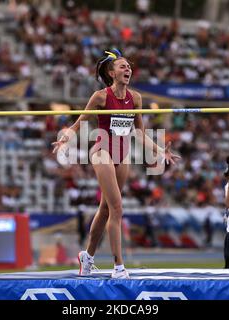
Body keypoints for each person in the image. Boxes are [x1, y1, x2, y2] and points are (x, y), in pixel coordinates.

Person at [52, 49, 180, 278]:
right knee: (117, 208)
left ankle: (87, 257)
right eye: (122, 66)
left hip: (123, 154)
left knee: (105, 209)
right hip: (101, 151)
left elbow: (140, 133)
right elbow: (79, 123)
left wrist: (161, 151)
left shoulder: (136, 98)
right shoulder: (100, 96)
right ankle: (119, 267)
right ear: (111, 73)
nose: (128, 69)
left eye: (129, 67)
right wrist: (64, 138)